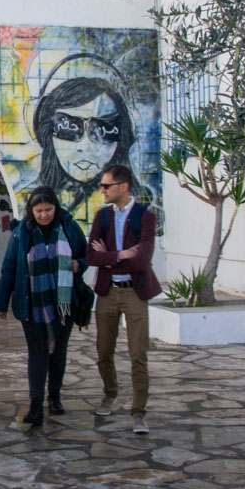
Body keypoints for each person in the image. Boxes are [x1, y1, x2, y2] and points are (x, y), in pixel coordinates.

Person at [0, 186, 88, 425]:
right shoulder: (21, 233)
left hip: (64, 303)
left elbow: (85, 255)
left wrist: (79, 264)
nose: (44, 215)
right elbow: (9, 268)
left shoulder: (69, 228)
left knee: (58, 351)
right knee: (38, 352)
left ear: (55, 208)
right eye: (39, 210)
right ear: (31, 210)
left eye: (48, 209)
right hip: (32, 303)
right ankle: (36, 404)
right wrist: (1, 302)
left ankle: (54, 397)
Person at [86, 164, 160, 435]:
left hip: (134, 292)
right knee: (103, 351)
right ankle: (110, 393)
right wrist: (121, 254)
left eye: (107, 186)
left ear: (123, 186)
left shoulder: (145, 216)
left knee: (138, 354)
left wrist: (109, 257)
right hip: (107, 292)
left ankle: (139, 412)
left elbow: (142, 260)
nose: (102, 190)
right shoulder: (102, 217)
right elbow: (91, 256)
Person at [33, 53, 142, 223]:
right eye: (69, 128)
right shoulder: (29, 201)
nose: (85, 146)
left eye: (102, 130)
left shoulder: (139, 208)